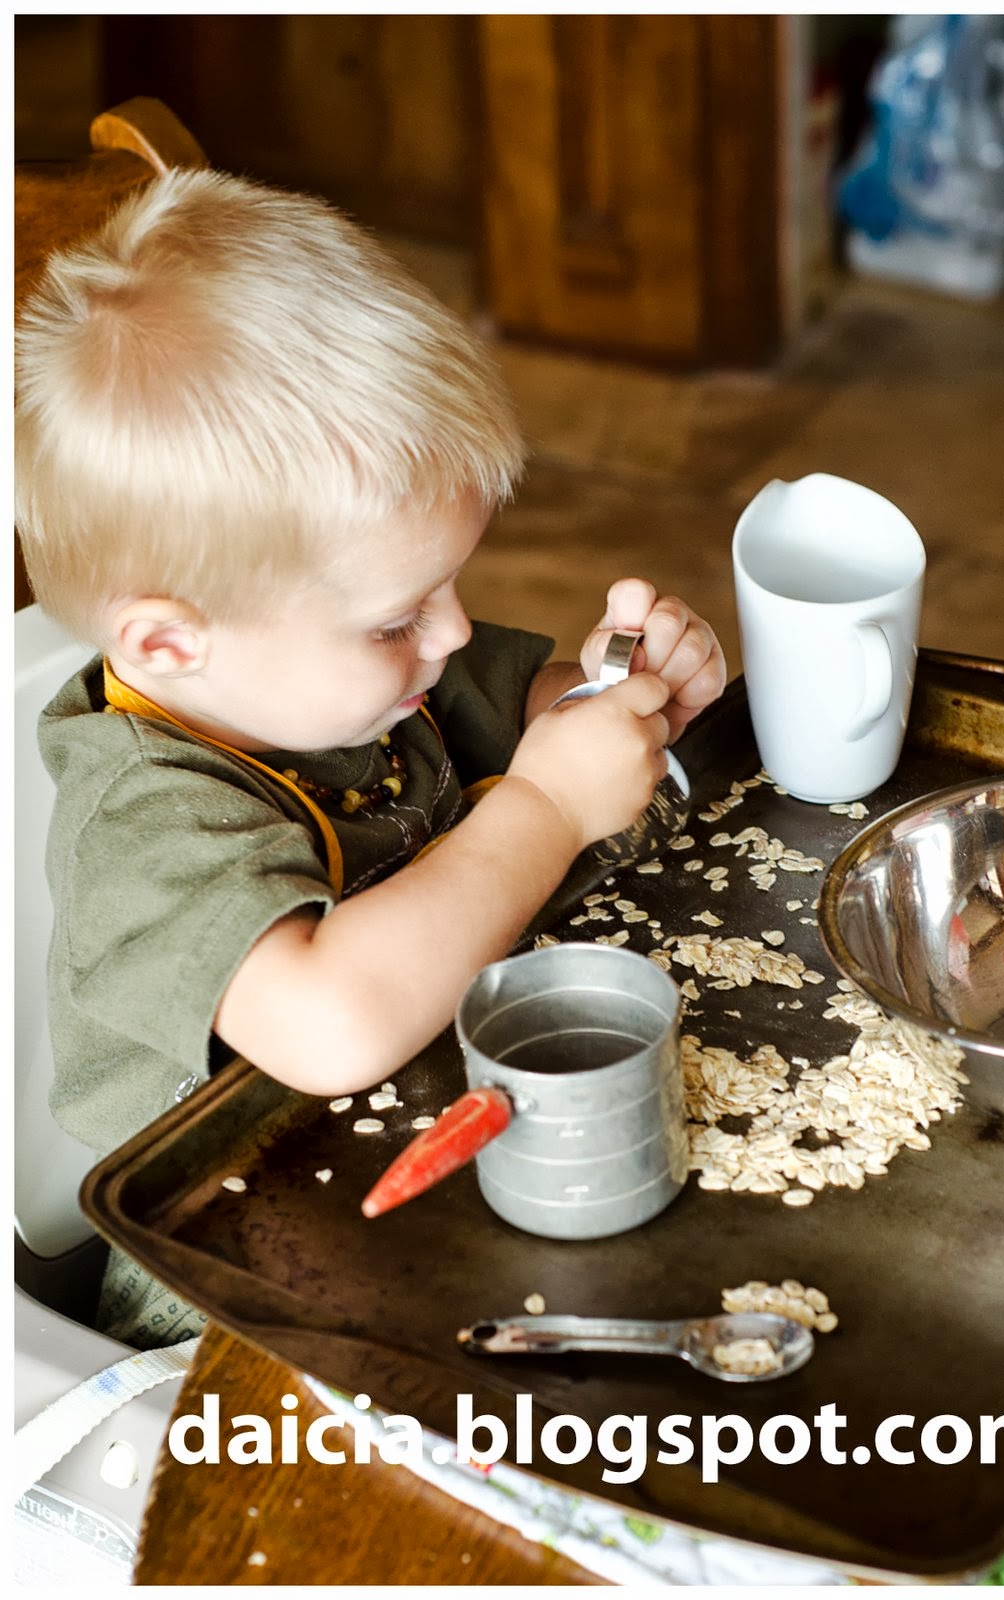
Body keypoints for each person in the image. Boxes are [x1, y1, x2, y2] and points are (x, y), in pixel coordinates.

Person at [15, 168, 726, 1345]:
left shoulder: (341, 685)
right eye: (399, 615)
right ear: (166, 642)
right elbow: (328, 1022)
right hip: (233, 1285)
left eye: (449, 588)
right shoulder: (144, 819)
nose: (448, 634)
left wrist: (609, 693)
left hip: (440, 1164)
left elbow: (520, 708)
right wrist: (547, 805)